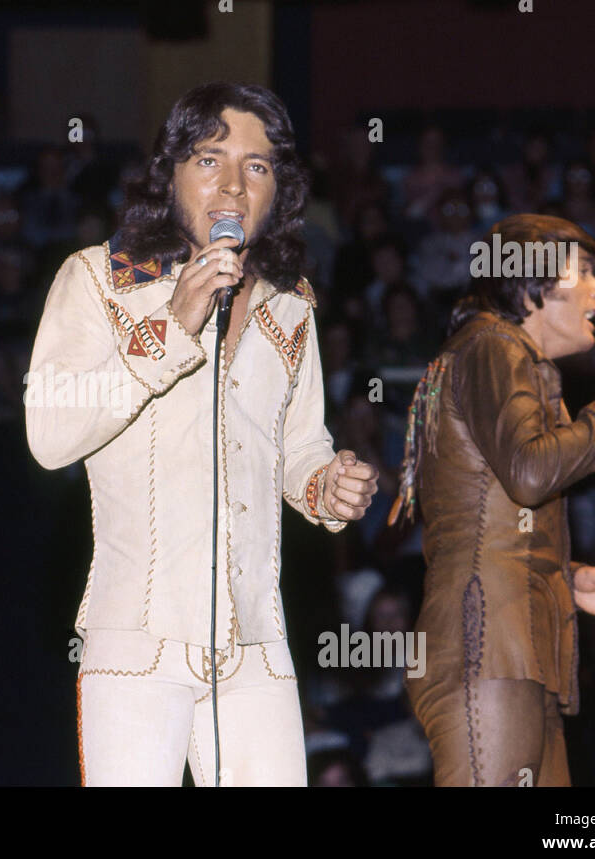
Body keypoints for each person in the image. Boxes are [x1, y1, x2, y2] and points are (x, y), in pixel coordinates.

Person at [25, 82, 379, 786]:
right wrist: (170, 328)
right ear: (170, 173)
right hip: (138, 643)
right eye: (208, 159)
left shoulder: (291, 304)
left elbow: (297, 445)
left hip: (256, 647)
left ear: (279, 188)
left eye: (257, 166)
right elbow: (50, 430)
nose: (232, 185)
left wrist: (325, 483)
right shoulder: (101, 280)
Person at [390, 213, 595, 786]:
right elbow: (529, 471)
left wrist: (565, 578)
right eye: (586, 273)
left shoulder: (506, 356)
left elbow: (489, 512)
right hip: (488, 647)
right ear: (529, 282)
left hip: (510, 647)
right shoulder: (493, 346)